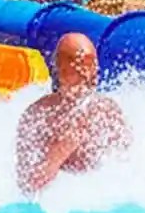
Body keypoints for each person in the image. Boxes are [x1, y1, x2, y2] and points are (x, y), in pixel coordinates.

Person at [15, 33, 133, 195]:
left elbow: (126, 172)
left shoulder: (107, 112)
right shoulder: (38, 115)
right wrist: (61, 149)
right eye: (78, 66)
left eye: (91, 65)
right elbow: (27, 186)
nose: (87, 73)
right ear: (59, 69)